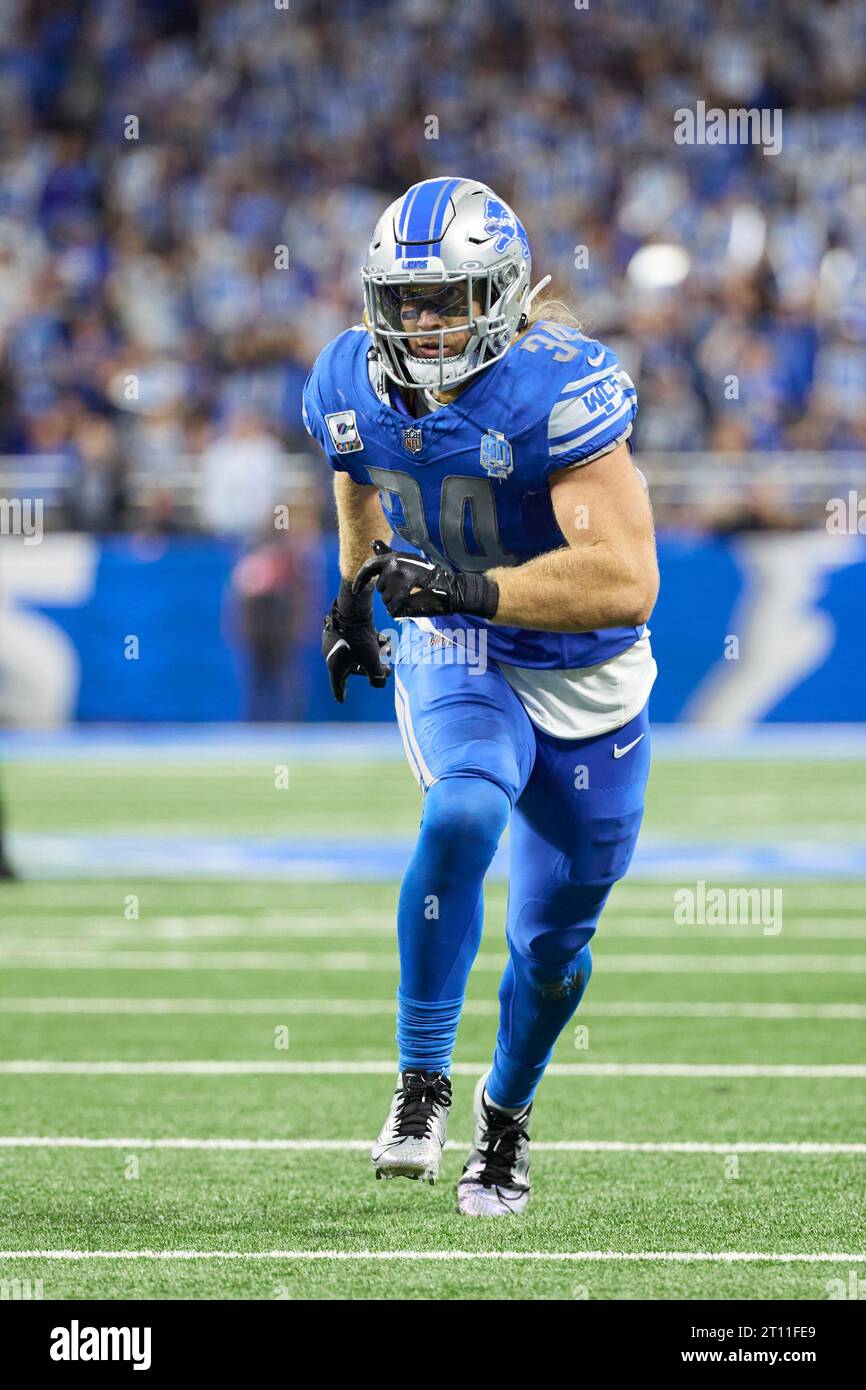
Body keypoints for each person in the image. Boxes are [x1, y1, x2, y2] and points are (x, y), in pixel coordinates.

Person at [303, 177, 659, 1216]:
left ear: (497, 295)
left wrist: (460, 582)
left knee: (553, 945)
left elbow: (625, 580)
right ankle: (421, 1081)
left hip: (586, 671)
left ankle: (503, 1122)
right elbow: (356, 469)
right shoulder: (346, 376)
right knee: (461, 806)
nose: (421, 322)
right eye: (403, 300)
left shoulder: (557, 389)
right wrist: (357, 590)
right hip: (456, 644)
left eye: (445, 297)